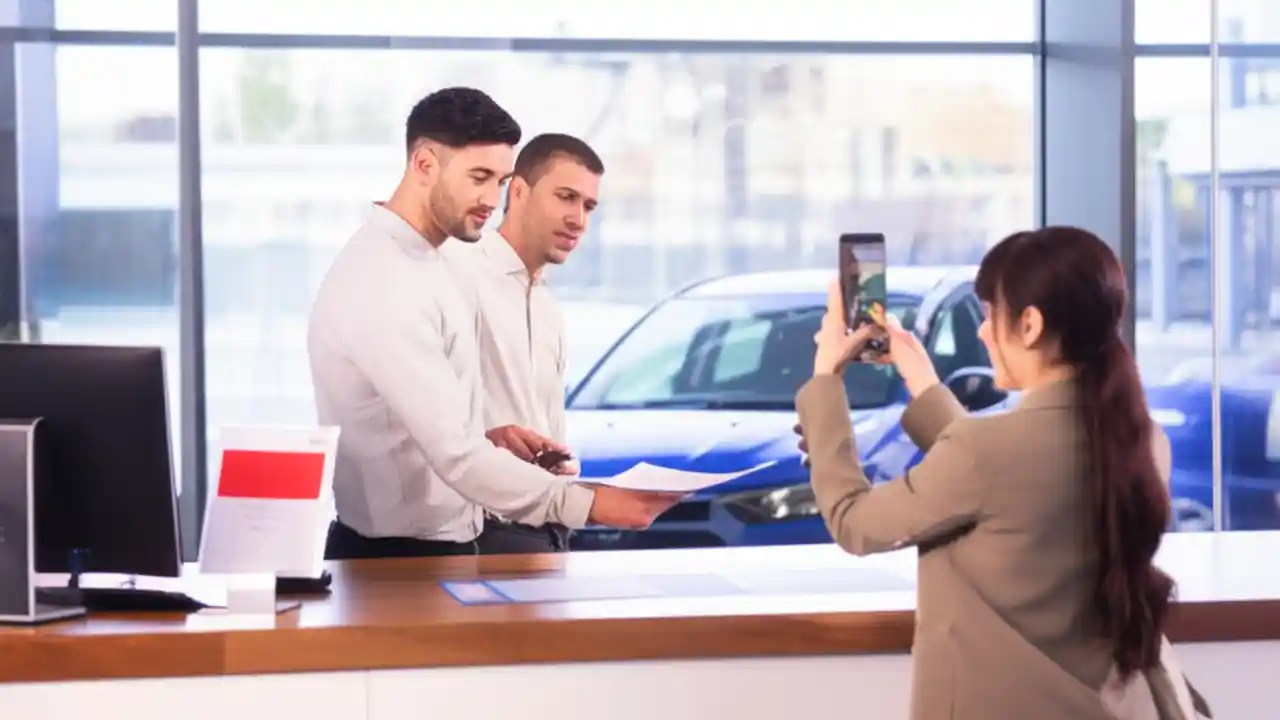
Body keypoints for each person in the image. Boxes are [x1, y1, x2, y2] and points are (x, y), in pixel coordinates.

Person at [795, 227, 1211, 719]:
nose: (982, 331)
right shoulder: (1142, 445)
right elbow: (1009, 484)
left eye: (991, 314)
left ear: (1030, 324)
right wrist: (922, 382)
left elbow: (854, 522)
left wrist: (825, 381)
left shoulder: (985, 455)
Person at [307, 87, 681, 559]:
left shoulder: (430, 264)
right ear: (424, 165)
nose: (491, 199)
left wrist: (490, 436)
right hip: (397, 557)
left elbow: (431, 427)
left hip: (441, 547)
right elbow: (456, 454)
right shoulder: (384, 278)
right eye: (479, 177)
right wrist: (590, 503)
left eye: (500, 181)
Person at [442, 132, 603, 553]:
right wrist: (487, 437)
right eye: (566, 197)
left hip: (546, 532)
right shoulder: (458, 274)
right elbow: (416, 406)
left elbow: (548, 425)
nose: (578, 219)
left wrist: (560, 466)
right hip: (479, 535)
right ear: (518, 191)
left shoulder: (550, 311)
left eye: (588, 206)